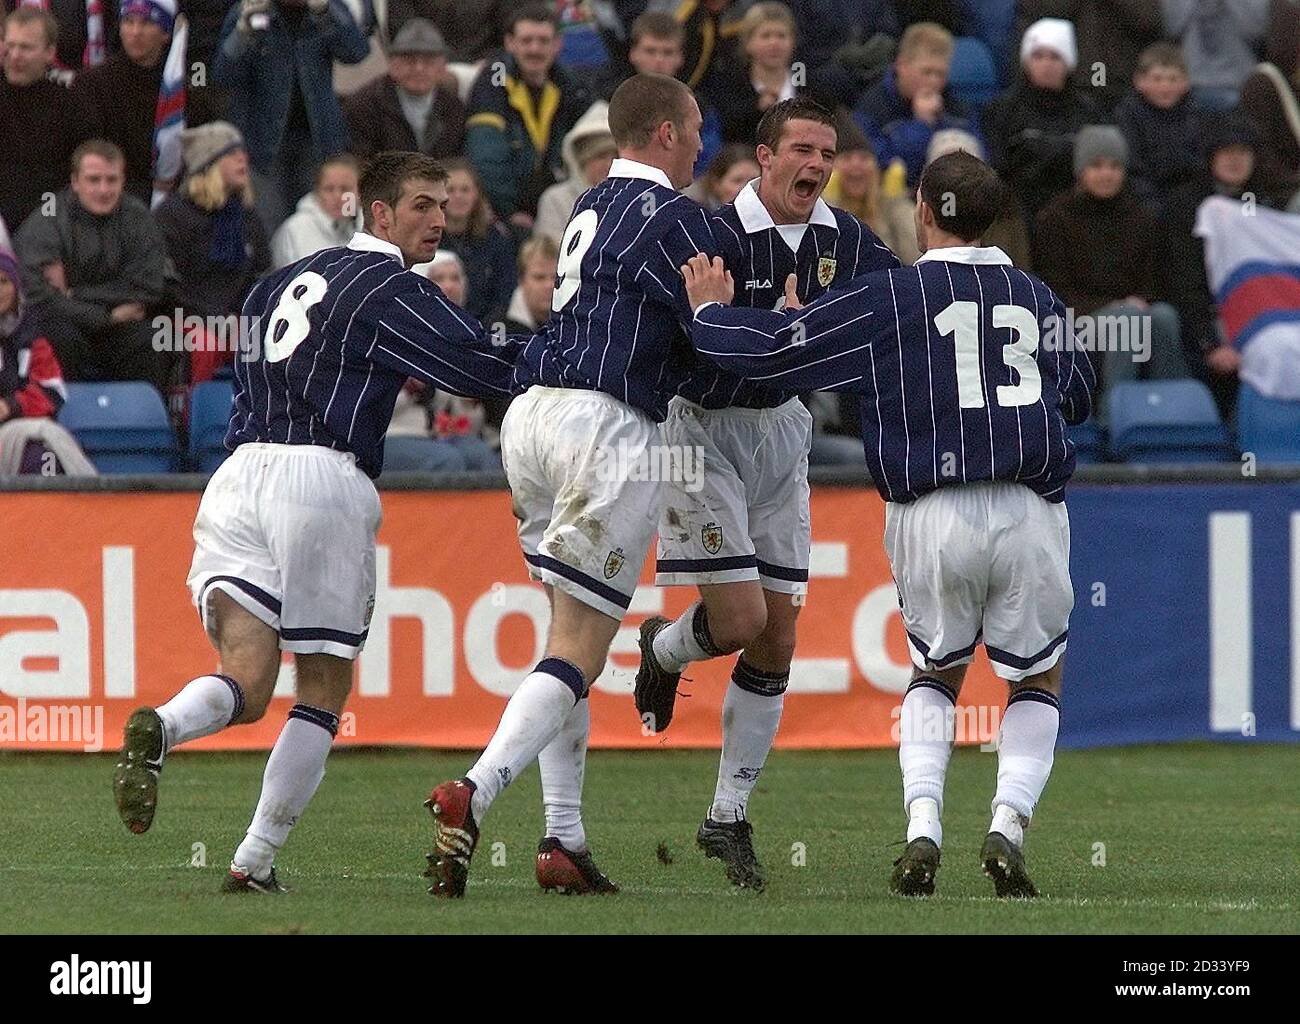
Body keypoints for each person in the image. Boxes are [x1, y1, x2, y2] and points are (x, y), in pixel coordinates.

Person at [681, 150, 1096, 899]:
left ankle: (923, 827)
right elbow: (1081, 394)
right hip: (1029, 507)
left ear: (926, 215)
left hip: (929, 509)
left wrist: (710, 314)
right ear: (994, 217)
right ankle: (1007, 821)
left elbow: (776, 354)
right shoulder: (1037, 296)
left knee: (935, 672)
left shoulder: (890, 297)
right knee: (1038, 676)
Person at [111, 152, 525, 893]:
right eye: (422, 205)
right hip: (319, 477)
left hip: (237, 476)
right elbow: (478, 367)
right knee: (323, 688)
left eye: (443, 205)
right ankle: (253, 861)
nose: (439, 217)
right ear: (380, 215)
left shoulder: (274, 285)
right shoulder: (392, 286)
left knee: (248, 676)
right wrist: (579, 355)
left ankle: (163, 727)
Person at [421, 72, 717, 900]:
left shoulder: (588, 204)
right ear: (662, 133)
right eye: (694, 125)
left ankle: (564, 840)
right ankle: (473, 791)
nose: (702, 140)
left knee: (563, 640)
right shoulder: (678, 220)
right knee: (582, 649)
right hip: (606, 428)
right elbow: (713, 332)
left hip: (533, 416)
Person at [636, 97, 900, 891]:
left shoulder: (843, 240)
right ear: (763, 156)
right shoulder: (709, 235)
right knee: (742, 618)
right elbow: (678, 337)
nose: (817, 166)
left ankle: (727, 817)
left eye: (827, 152)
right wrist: (784, 336)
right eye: (803, 150)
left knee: (777, 637)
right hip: (700, 432)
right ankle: (662, 648)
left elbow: (900, 310)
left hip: (782, 434)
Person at [1034, 125, 1187, 417]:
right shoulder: (1054, 218)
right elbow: (1053, 288)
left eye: (1115, 166)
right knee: (1125, 319)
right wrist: (1114, 306)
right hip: (1071, 320)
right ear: (1081, 170)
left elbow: (1153, 279)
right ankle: (1115, 415)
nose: (1107, 174)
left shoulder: (1142, 217)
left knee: (1164, 316)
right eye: (1097, 165)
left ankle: (1172, 413)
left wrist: (1141, 300)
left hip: (1130, 311)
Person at [15, 139, 169, 390]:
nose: (103, 189)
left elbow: (149, 287)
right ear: (75, 181)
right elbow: (38, 294)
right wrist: (105, 316)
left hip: (122, 329)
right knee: (55, 336)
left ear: (123, 180)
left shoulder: (138, 216)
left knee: (152, 339)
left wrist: (76, 293)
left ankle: (140, 424)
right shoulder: (49, 216)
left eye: (112, 180)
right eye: (93, 180)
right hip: (69, 323)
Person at [212, 0, 370, 234]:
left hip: (320, 142)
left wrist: (327, 13)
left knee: (332, 224)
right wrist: (243, 32)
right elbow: (223, 74)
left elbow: (357, 52)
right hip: (263, 146)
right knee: (270, 226)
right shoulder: (248, 7)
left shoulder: (327, 7)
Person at [463, 3, 592, 227]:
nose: (535, 49)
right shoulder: (495, 77)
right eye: (526, 40)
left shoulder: (569, 84)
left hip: (554, 201)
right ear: (510, 43)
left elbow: (587, 148)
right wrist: (509, 212)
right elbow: (486, 156)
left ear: (557, 45)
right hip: (505, 211)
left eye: (543, 41)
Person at [985, 17, 1104, 226]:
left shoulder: (1088, 112)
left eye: (1055, 57)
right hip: (1018, 213)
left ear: (1068, 63)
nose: (1046, 64)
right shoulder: (1004, 109)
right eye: (1038, 56)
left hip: (1075, 214)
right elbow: (996, 167)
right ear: (1027, 62)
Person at [0, 245, 97, 476]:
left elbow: (52, 391)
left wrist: (11, 405)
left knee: (47, 458)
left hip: (20, 431)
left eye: (3, 281)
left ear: (15, 286)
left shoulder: (32, 335)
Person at [0, 6, 95, 231]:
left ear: (50, 52)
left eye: (26, 48)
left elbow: (83, 176)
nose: (15, 56)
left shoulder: (72, 107)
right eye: (10, 45)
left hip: (50, 223)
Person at [74, 0, 177, 206]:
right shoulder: (93, 83)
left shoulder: (180, 89)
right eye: (128, 22)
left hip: (171, 198)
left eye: (147, 23)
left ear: (165, 33)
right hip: (113, 197)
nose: (135, 32)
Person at [851, 21, 977, 189]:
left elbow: (977, 164)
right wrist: (921, 125)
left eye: (940, 74)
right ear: (901, 65)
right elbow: (885, 170)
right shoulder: (871, 108)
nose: (934, 81)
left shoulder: (957, 109)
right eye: (927, 72)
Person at [342, 18, 466, 160]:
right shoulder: (363, 106)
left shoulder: (454, 108)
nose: (419, 69)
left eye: (428, 62)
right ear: (392, 65)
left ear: (443, 68)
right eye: (410, 61)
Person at [1115, 42, 1206, 216]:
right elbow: (1133, 167)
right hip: (1144, 200)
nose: (1165, 87)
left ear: (1186, 82)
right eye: (1157, 79)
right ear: (1139, 81)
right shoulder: (1128, 114)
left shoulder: (1197, 115)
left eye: (1173, 79)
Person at [533, 102, 616, 246]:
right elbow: (549, 250)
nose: (609, 164)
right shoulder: (555, 200)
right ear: (582, 161)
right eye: (601, 156)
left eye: (616, 157)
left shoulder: (632, 200)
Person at [270, 154, 360, 268]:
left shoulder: (370, 227)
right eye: (329, 189)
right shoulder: (295, 230)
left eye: (345, 189)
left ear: (360, 192)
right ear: (317, 192)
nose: (338, 196)